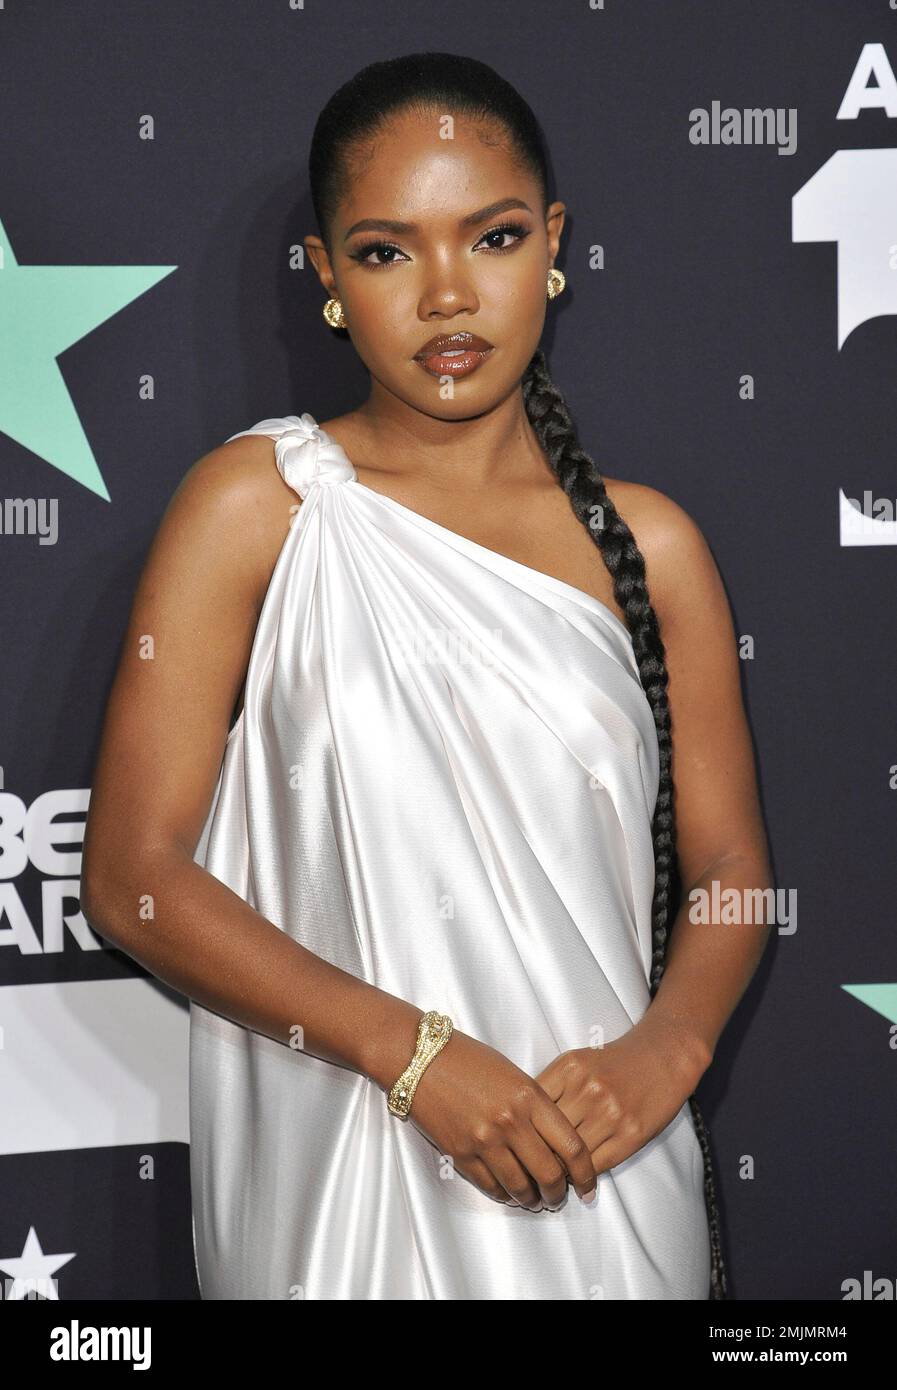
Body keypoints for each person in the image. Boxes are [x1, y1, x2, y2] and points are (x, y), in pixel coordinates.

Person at [81, 51, 773, 1300]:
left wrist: (666, 1049)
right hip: (342, 1167)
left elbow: (731, 874)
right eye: (389, 251)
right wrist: (418, 1061)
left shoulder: (653, 546)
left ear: (553, 244)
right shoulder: (261, 506)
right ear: (329, 279)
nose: (448, 295)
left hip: (602, 1173)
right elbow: (133, 882)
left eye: (494, 236)